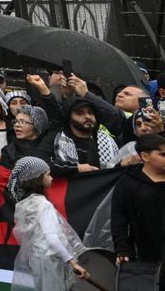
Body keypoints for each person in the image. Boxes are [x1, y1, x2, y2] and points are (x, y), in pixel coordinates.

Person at [11, 155, 88, 291]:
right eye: (47, 174)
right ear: (37, 179)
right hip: (49, 261)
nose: (51, 178)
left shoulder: (23, 204)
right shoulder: (43, 204)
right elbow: (52, 238)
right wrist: (72, 262)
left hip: (35, 259)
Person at [112, 133, 165, 290]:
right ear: (145, 156)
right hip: (146, 257)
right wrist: (122, 249)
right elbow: (119, 219)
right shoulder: (128, 183)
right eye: (163, 154)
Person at [52, 101, 120, 176]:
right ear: (69, 118)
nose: (88, 116)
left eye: (90, 113)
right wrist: (76, 168)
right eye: (80, 113)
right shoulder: (55, 138)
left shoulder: (107, 140)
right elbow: (44, 165)